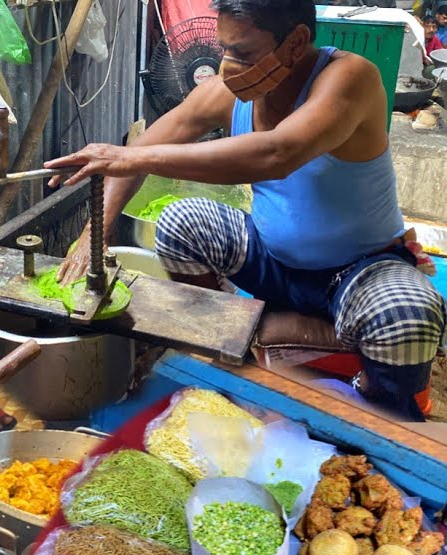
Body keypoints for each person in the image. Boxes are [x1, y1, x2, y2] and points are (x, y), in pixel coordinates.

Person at [47, 0, 446, 421]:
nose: (228, 66)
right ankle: (221, 344)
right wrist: (95, 234)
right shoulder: (227, 94)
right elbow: (137, 153)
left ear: (295, 43)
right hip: (272, 262)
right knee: (180, 224)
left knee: (408, 316)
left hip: (357, 270)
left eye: (243, 53)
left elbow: (278, 152)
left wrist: (132, 159)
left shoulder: (350, 78)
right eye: (224, 50)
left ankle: (378, 410)